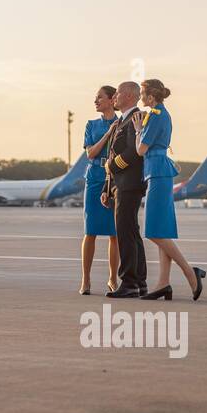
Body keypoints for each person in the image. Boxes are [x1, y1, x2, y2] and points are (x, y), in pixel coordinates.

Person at [131, 78, 207, 301]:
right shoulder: (159, 113)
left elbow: (140, 150)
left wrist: (138, 130)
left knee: (153, 232)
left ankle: (189, 272)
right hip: (158, 172)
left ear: (151, 98)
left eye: (143, 93)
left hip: (157, 172)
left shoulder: (155, 116)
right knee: (161, 230)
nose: (141, 97)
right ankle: (163, 283)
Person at [103, 81, 149, 298]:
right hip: (119, 184)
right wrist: (107, 186)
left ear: (130, 96)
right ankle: (139, 282)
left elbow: (134, 152)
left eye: (118, 93)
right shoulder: (122, 120)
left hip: (130, 184)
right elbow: (113, 153)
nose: (115, 97)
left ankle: (129, 283)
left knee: (125, 234)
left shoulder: (136, 118)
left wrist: (113, 166)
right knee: (131, 232)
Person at [79, 85, 120, 295]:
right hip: (95, 178)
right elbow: (91, 153)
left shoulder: (123, 122)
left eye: (99, 98)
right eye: (95, 98)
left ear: (112, 99)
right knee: (91, 231)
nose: (95, 101)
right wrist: (106, 136)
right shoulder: (92, 125)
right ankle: (85, 279)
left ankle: (113, 278)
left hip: (115, 178)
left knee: (114, 232)